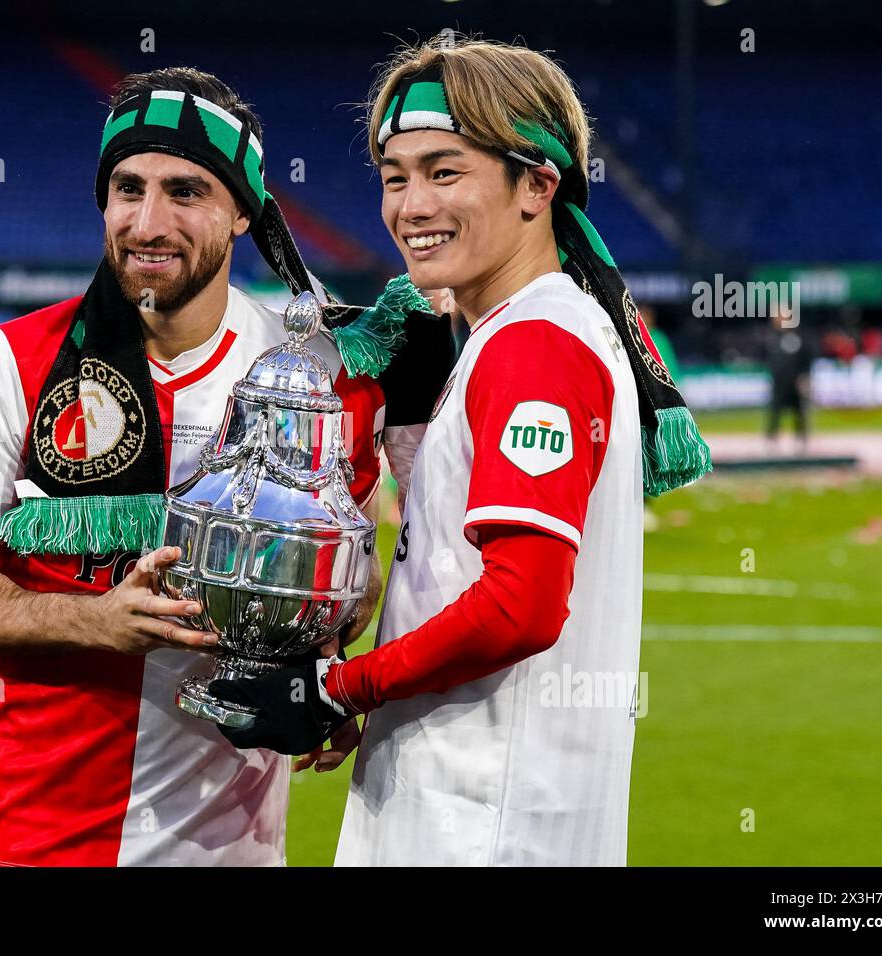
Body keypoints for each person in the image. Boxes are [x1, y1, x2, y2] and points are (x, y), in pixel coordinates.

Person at [0, 66, 448, 866]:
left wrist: (321, 669)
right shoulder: (20, 362)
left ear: (240, 215)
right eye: (128, 188)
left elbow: (359, 566)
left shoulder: (322, 370)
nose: (147, 222)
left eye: (185, 191)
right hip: (39, 835)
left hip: (231, 846)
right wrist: (93, 622)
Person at [208, 36, 711, 865]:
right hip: (490, 810)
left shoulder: (535, 345)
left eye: (445, 172)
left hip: (480, 824)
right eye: (394, 176)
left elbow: (522, 606)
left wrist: (337, 689)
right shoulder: (522, 335)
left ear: (537, 186)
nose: (410, 205)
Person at [765, 305, 810, 447]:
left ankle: (801, 440)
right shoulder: (772, 338)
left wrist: (804, 377)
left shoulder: (797, 338)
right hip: (779, 383)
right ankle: (772, 439)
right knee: (775, 411)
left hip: (794, 383)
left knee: (799, 412)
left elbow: (805, 359)